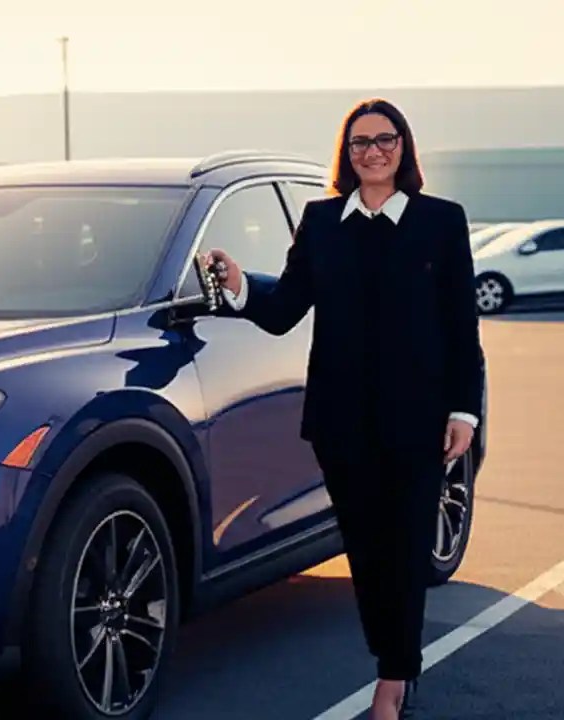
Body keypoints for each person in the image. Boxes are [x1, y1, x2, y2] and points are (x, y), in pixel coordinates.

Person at [206, 98, 484, 719]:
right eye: (360, 142)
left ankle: (394, 678)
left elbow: (460, 325)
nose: (373, 151)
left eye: (385, 139)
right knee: (367, 551)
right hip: (341, 422)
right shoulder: (322, 221)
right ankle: (393, 656)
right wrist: (240, 287)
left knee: (406, 549)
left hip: (419, 421)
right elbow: (285, 309)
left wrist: (464, 411)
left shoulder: (441, 221)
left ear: (403, 147)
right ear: (346, 153)